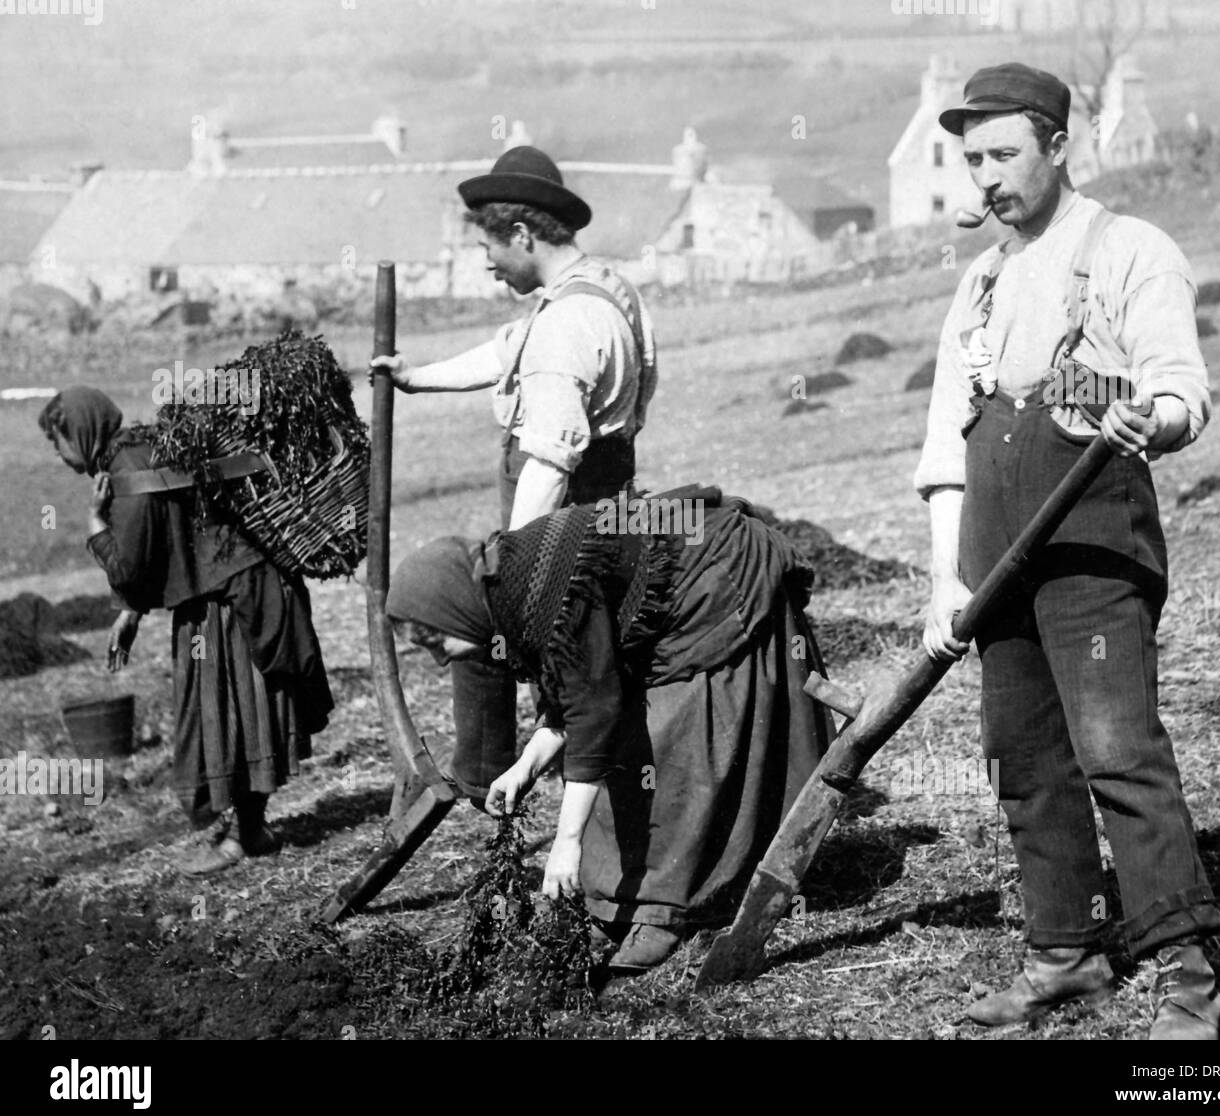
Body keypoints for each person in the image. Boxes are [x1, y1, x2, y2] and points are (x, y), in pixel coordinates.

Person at [915, 62, 1220, 1040]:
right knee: (1023, 760)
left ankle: (1186, 979)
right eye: (971, 160)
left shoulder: (1128, 250)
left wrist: (1154, 418)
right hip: (993, 561)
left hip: (1091, 554)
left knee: (1116, 753)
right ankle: (1066, 951)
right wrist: (941, 578)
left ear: (1058, 144)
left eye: (1004, 153)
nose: (987, 178)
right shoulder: (982, 279)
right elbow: (944, 445)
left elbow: (1182, 388)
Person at [385, 487, 833, 971]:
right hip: (667, 600)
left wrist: (566, 842)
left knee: (671, 741)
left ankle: (663, 911)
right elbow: (575, 690)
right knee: (614, 752)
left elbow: (594, 711)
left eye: (434, 641)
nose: (437, 659)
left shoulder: (551, 589)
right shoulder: (508, 594)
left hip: (717, 579)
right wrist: (525, 766)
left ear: (454, 608)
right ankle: (614, 904)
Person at [371, 144, 659, 806]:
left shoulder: (566, 324)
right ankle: (558, 777)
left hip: (569, 523)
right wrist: (416, 378)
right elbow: (508, 352)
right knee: (591, 660)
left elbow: (552, 461)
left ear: (524, 234)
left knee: (557, 652)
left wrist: (514, 567)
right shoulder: (603, 291)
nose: (487, 263)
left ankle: (543, 795)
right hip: (611, 508)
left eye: (490, 247)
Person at [39, 387, 334, 876]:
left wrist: (95, 526)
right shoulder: (140, 447)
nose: (59, 455)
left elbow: (134, 567)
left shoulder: (127, 470)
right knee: (234, 711)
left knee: (229, 714)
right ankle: (249, 827)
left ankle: (245, 836)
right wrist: (130, 614)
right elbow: (167, 538)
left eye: (59, 443)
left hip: (229, 599)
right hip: (238, 585)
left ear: (81, 433)